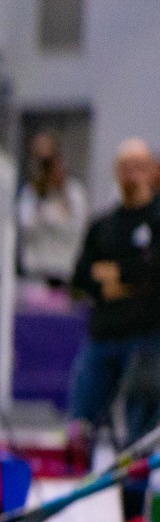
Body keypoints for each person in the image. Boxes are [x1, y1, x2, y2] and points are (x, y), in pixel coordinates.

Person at [68, 137, 160, 465]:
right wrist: (134, 278)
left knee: (138, 436)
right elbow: (79, 277)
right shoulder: (102, 225)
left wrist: (116, 275)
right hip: (103, 337)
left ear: (151, 170)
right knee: (80, 426)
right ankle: (74, 491)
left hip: (147, 340)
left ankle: (132, 507)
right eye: (124, 167)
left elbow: (153, 271)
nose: (131, 174)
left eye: (138, 166)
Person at [18, 132, 87, 287]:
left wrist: (61, 199)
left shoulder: (74, 192)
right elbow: (26, 226)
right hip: (36, 271)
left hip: (65, 271)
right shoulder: (30, 193)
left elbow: (78, 229)